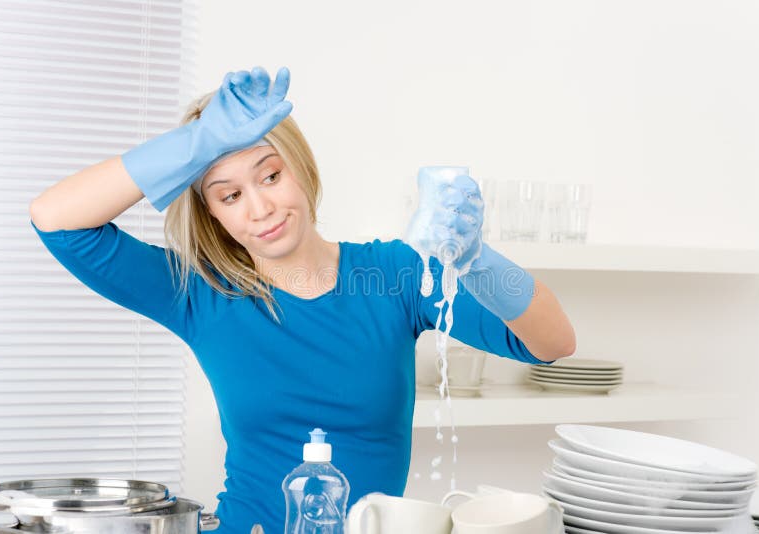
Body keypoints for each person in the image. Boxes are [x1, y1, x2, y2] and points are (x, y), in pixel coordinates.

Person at [29, 66, 576, 534]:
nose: (260, 208)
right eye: (230, 195)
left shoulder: (394, 274)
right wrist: (195, 145)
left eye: (270, 175)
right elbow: (57, 220)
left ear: (302, 169)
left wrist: (478, 260)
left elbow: (552, 342)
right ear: (212, 214)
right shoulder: (200, 291)